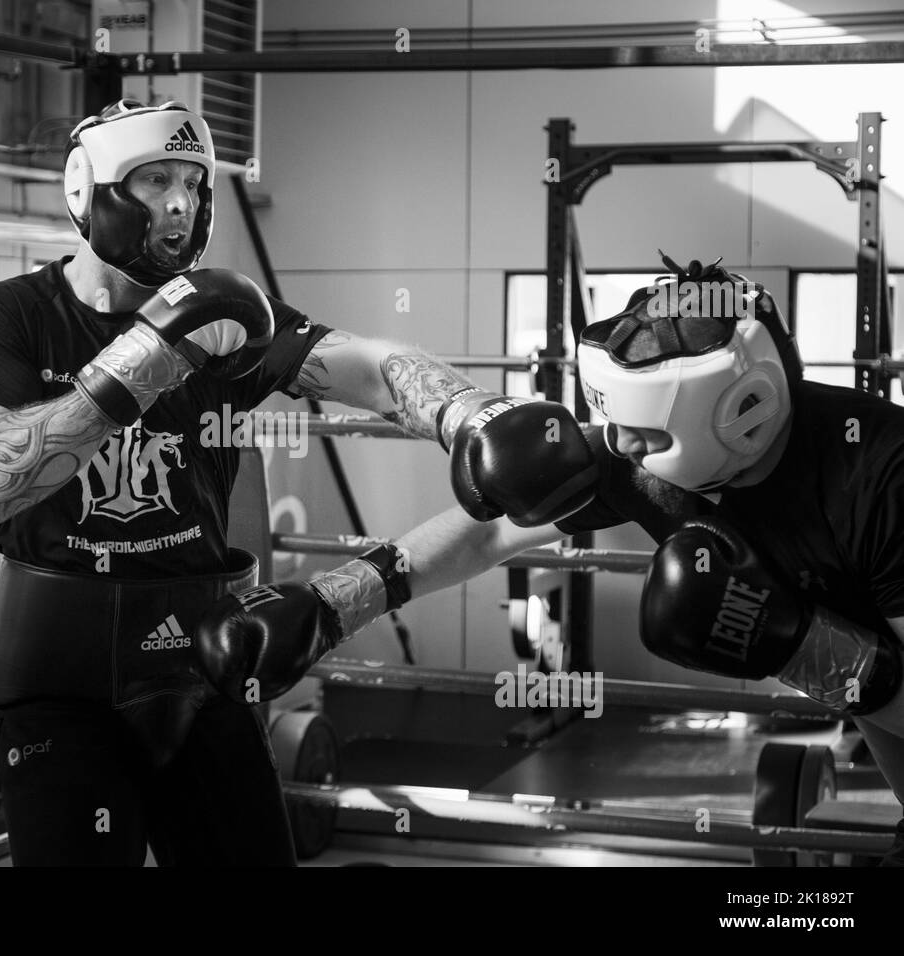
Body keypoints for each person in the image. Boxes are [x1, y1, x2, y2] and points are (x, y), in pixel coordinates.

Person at [0, 98, 596, 866]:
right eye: (155, 179)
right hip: (58, 684)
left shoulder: (224, 316)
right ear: (88, 187)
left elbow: (368, 364)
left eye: (194, 181)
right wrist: (144, 360)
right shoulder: (4, 316)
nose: (181, 203)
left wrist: (469, 411)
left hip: (201, 664)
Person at [198, 253, 904, 866]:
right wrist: (335, 605)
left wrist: (808, 649)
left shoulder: (884, 480)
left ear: (743, 411)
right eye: (613, 421)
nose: (619, 445)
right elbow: (488, 533)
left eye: (641, 431)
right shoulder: (647, 460)